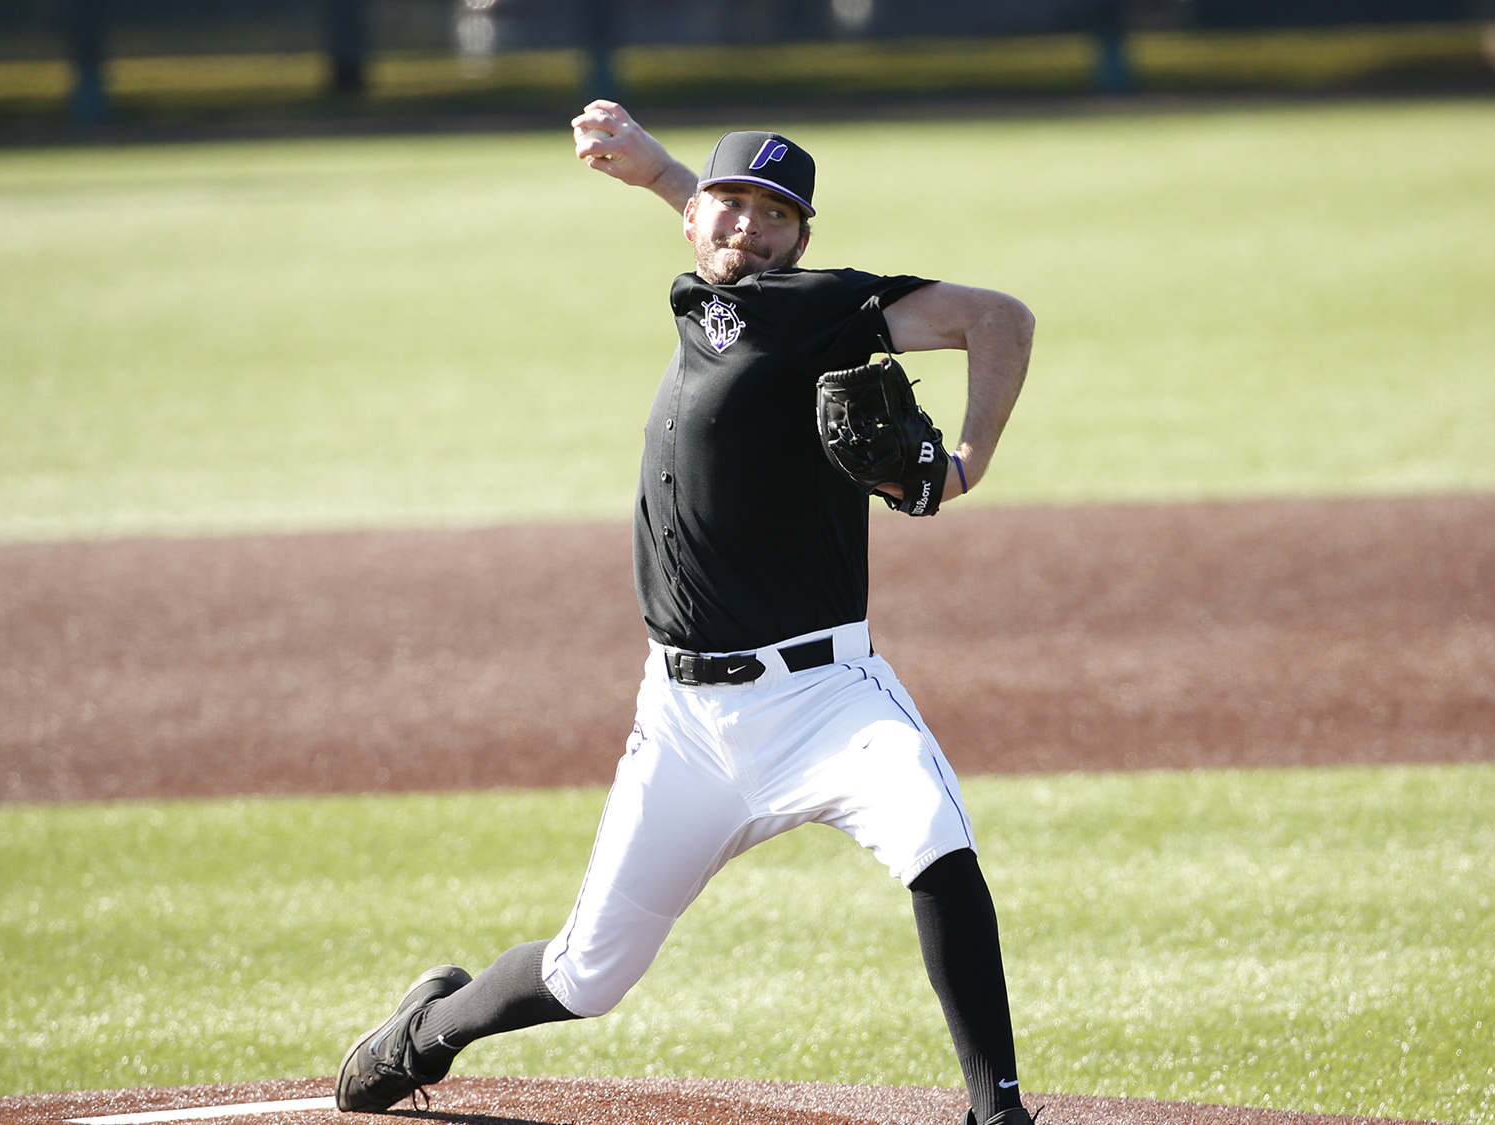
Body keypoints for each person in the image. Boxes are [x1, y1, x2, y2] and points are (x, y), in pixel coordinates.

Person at [335, 101, 1036, 1125]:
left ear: (804, 239)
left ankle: (997, 1111)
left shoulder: (821, 307)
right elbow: (713, 248)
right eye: (731, 203)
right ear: (698, 213)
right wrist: (661, 169)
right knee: (586, 977)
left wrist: (964, 467)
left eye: (775, 215)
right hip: (682, 725)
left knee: (936, 840)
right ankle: (423, 1033)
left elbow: (998, 319)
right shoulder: (707, 298)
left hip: (826, 700)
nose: (747, 225)